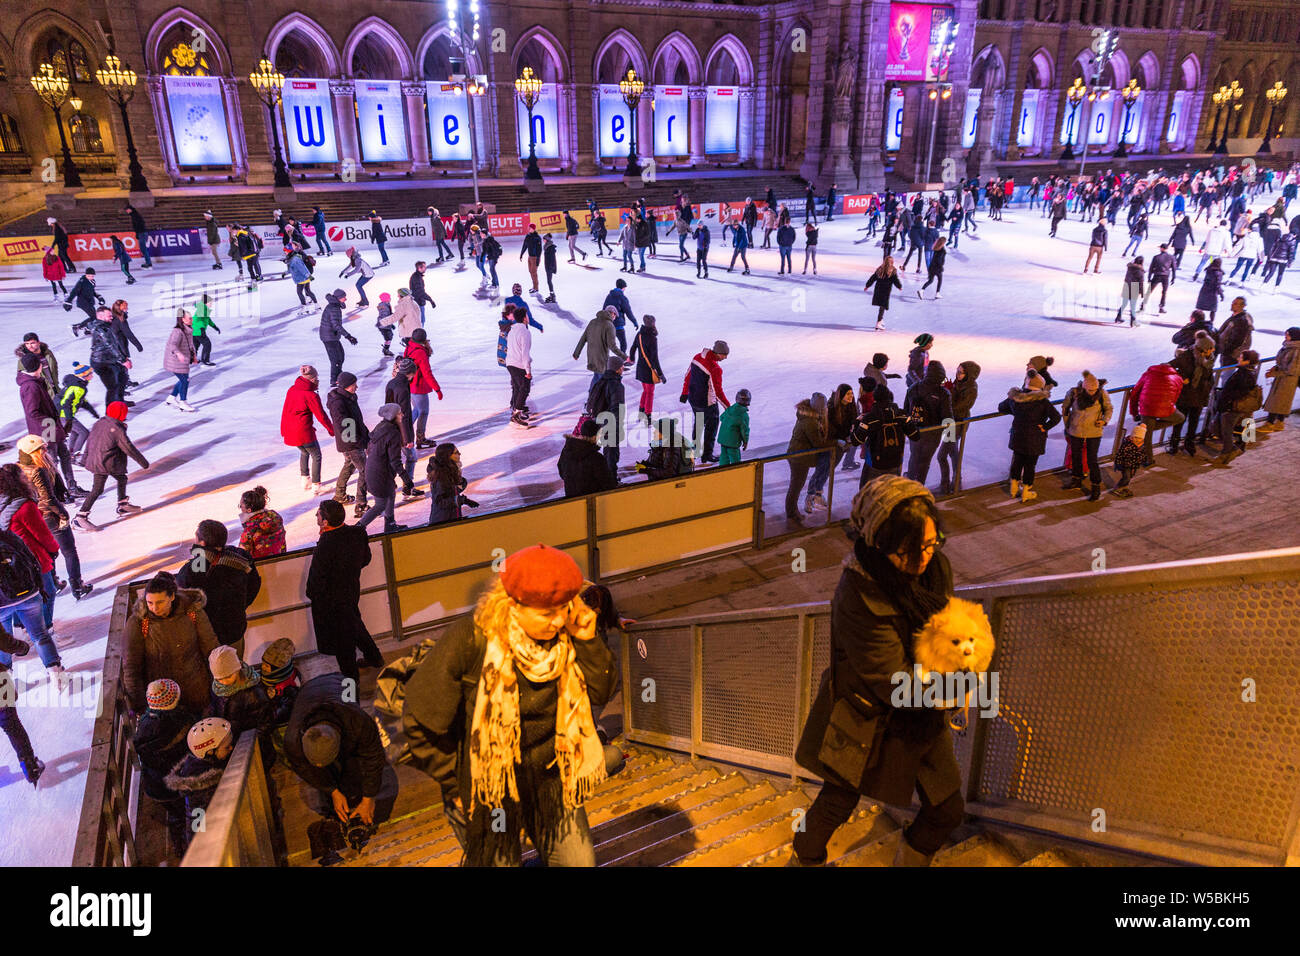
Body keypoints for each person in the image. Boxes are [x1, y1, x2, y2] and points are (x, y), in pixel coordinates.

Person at [401, 544, 616, 866]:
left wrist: (587, 640)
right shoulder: (471, 639)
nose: (559, 621)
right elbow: (420, 720)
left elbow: (600, 693)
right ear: (514, 605)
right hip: (489, 787)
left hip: (551, 781)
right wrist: (454, 784)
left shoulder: (570, 628)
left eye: (563, 609)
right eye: (546, 614)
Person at [789, 477, 962, 866]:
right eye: (907, 551)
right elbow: (891, 679)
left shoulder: (935, 568)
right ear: (878, 540)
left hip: (920, 719)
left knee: (947, 809)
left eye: (931, 544)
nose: (922, 560)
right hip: (865, 718)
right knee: (836, 802)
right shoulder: (858, 592)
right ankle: (803, 857)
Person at [285, 672, 399, 865]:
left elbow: (373, 758)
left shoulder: (358, 722)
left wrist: (368, 799)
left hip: (344, 681)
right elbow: (306, 770)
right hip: (309, 692)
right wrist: (333, 791)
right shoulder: (293, 740)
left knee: (354, 763)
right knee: (334, 779)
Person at [307, 499, 385, 681]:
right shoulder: (357, 533)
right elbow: (365, 559)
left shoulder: (325, 546)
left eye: (318, 513)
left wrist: (315, 598)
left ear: (325, 522)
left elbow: (315, 582)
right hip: (351, 592)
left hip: (332, 603)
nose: (316, 515)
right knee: (355, 625)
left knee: (345, 649)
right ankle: (374, 657)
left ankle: (351, 693)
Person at [124, 572, 219, 715]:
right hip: (163, 702)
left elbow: (211, 649)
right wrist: (140, 705)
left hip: (197, 693)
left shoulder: (192, 612)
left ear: (172, 597)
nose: (155, 608)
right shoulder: (139, 622)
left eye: (160, 602)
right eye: (150, 603)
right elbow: (131, 667)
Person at [176, 519, 261, 656]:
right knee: (235, 670)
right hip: (235, 630)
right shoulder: (240, 556)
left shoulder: (193, 569)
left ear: (202, 543)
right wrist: (239, 607)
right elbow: (254, 585)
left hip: (208, 637)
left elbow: (182, 603)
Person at [133, 679, 198, 855]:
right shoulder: (181, 720)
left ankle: (179, 846)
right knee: (192, 810)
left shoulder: (145, 724)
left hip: (157, 786)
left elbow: (145, 754)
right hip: (181, 780)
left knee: (176, 815)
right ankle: (197, 842)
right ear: (174, 700)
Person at [72, 401, 147, 531]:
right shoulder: (117, 429)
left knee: (122, 478)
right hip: (104, 462)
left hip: (102, 460)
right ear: (121, 414)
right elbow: (128, 447)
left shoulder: (100, 422)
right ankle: (80, 517)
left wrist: (84, 459)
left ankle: (123, 504)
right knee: (97, 490)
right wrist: (143, 463)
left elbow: (89, 441)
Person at [163, 718, 235, 848]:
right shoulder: (200, 791)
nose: (231, 748)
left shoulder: (199, 768)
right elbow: (196, 823)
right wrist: (199, 846)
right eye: (226, 747)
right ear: (210, 751)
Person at [997, 371, 1061, 503]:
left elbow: (1001, 407)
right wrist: (1045, 427)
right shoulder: (1043, 401)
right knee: (1030, 465)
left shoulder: (1017, 398)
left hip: (1019, 435)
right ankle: (1026, 491)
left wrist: (1016, 411)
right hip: (1035, 438)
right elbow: (1056, 417)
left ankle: (1014, 488)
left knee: (1018, 461)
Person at [280, 365, 334, 494]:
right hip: (303, 431)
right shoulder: (310, 395)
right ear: (312, 379)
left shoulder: (292, 389)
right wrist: (331, 429)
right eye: (317, 378)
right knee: (316, 455)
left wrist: (283, 430)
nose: (318, 380)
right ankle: (316, 485)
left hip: (289, 430)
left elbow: (285, 410)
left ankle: (305, 480)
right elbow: (321, 415)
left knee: (304, 452)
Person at [1060, 371, 1113, 501]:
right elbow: (1065, 409)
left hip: (1094, 431)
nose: (1092, 392)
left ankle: (1096, 486)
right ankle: (1076, 480)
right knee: (1076, 456)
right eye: (1090, 390)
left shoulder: (1102, 394)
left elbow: (1109, 408)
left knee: (1092, 459)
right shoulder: (1074, 393)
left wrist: (1104, 420)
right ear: (1084, 388)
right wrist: (1068, 425)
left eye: (1095, 390)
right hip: (1076, 430)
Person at [359, 405, 408, 535]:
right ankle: (357, 528)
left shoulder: (381, 427)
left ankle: (390, 524)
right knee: (380, 504)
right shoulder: (392, 433)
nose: (402, 415)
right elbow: (395, 460)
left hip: (376, 470)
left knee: (391, 494)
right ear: (393, 416)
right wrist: (406, 479)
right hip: (379, 473)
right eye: (399, 413)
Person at [680, 340, 730, 465]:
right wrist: (728, 407)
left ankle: (695, 451)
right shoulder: (714, 368)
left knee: (698, 423)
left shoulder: (697, 357)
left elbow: (688, 375)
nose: (726, 357)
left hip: (694, 399)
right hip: (707, 403)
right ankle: (707, 454)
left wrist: (684, 392)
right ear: (718, 353)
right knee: (711, 427)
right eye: (724, 355)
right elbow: (718, 392)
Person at [903, 363, 952, 486]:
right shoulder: (943, 393)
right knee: (925, 461)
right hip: (932, 433)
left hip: (915, 430)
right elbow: (947, 417)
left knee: (914, 457)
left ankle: (908, 484)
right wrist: (949, 439)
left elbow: (906, 410)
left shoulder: (913, 388)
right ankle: (919, 485)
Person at [327, 372, 370, 515]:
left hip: (351, 440)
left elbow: (357, 419)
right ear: (345, 386)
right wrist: (359, 441)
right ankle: (361, 504)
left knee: (350, 465)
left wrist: (366, 434)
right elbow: (344, 425)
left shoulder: (350, 397)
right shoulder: (338, 403)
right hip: (351, 442)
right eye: (353, 385)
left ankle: (339, 495)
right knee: (365, 470)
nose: (356, 387)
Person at [1168, 332, 1217, 455]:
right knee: (1180, 421)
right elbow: (1169, 366)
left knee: (1194, 422)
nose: (1213, 350)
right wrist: (1181, 377)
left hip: (1200, 394)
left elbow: (1209, 375)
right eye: (1210, 348)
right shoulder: (1187, 357)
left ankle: (1189, 444)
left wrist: (1209, 386)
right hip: (1186, 394)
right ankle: (1174, 444)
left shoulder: (1209, 359)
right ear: (1203, 349)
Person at [936, 362, 979, 496]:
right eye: (957, 371)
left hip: (958, 424)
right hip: (951, 422)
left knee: (941, 455)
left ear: (969, 375)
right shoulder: (959, 382)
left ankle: (947, 483)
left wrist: (950, 391)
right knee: (953, 453)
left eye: (961, 372)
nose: (957, 374)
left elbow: (959, 407)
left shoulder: (971, 388)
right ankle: (955, 482)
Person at [784, 393, 828, 524]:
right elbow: (818, 443)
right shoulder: (810, 421)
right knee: (796, 486)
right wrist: (836, 442)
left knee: (796, 484)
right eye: (824, 407)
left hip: (798, 454)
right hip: (799, 458)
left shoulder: (809, 416)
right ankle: (791, 513)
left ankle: (792, 512)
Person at [384, 359, 423, 501]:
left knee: (394, 460)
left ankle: (395, 487)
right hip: (400, 431)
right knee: (411, 458)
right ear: (411, 373)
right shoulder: (402, 387)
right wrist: (407, 439)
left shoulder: (392, 383)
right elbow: (404, 414)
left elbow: (387, 407)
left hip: (389, 427)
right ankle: (407, 488)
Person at [1212, 350, 1261, 465]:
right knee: (1224, 430)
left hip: (1232, 407)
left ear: (1247, 361)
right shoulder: (1245, 372)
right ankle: (1230, 452)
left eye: (1241, 357)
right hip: (1231, 406)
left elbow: (1238, 392)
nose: (1238, 358)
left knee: (1226, 431)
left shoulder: (1245, 375)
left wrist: (1227, 400)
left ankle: (1228, 452)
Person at [587, 357, 627, 481]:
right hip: (610, 424)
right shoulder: (616, 385)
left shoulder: (600, 381)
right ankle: (611, 480)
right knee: (612, 454)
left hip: (600, 423)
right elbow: (617, 408)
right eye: (621, 366)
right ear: (618, 369)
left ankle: (607, 477)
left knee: (607, 453)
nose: (623, 368)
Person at [403, 329, 443, 449]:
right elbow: (427, 373)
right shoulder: (420, 352)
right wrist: (437, 389)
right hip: (418, 387)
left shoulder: (409, 346)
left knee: (416, 410)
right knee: (423, 412)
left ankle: (404, 433)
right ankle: (419, 438)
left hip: (409, 385)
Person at [559, 418, 618, 497]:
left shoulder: (566, 451)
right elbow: (608, 484)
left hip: (570, 498)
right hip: (592, 500)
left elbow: (562, 472)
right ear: (594, 437)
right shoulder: (597, 458)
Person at [573, 309, 627, 392]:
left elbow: (583, 338)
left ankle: (590, 399)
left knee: (597, 376)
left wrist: (576, 353)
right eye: (615, 315)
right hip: (602, 358)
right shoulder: (609, 325)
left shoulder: (592, 322)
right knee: (603, 380)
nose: (615, 318)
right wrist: (625, 357)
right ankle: (595, 401)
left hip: (592, 356)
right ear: (612, 313)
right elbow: (612, 346)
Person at [1260, 327, 1300, 432]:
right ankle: (1279, 423)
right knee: (1281, 401)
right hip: (1282, 378)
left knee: (1278, 401)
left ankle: (1270, 423)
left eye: (1287, 334)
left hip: (1288, 381)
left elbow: (1292, 370)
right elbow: (1282, 362)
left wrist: (1274, 373)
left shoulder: (1296, 350)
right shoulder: (1288, 346)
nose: (1285, 336)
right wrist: (1276, 368)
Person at [427, 443, 477, 525]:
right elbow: (440, 502)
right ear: (448, 456)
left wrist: (462, 483)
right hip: (442, 521)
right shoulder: (440, 476)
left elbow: (450, 491)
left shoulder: (450, 471)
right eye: (456, 452)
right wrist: (460, 500)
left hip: (451, 517)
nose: (459, 454)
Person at [628, 314, 665, 424]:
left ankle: (641, 414)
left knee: (646, 391)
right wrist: (661, 374)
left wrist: (633, 359)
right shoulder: (652, 338)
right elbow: (654, 358)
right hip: (649, 370)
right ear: (653, 323)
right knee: (650, 393)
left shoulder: (639, 334)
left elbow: (633, 348)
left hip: (640, 368)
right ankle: (648, 417)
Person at [163, 309, 198, 413]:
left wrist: (194, 356)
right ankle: (183, 402)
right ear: (183, 319)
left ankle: (171, 397)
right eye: (189, 318)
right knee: (184, 380)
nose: (192, 319)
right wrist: (179, 354)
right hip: (175, 360)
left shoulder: (188, 329)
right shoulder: (177, 331)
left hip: (183, 360)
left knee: (184, 379)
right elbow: (172, 345)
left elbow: (190, 345)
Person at [238, 485, 286, 558]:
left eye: (240, 506)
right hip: (280, 560)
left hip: (260, 567)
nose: (240, 508)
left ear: (249, 510)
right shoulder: (276, 518)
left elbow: (241, 557)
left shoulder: (250, 531)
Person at [506, 309, 534, 426]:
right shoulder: (525, 332)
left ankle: (518, 410)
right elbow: (524, 353)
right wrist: (528, 370)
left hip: (510, 363)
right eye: (527, 316)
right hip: (519, 364)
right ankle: (516, 415)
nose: (528, 317)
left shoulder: (512, 331)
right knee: (525, 388)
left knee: (518, 388)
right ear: (524, 318)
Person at [864, 258, 903, 331]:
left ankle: (880, 320)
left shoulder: (880, 269)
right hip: (886, 291)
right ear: (892, 262)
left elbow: (872, 278)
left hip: (878, 289)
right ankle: (878, 322)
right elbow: (896, 280)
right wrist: (899, 286)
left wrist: (867, 286)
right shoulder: (893, 270)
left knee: (883, 306)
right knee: (883, 306)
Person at [1110, 423, 1146, 498]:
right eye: (1134, 437)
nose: (1136, 439)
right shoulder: (1128, 445)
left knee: (1130, 476)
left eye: (1138, 438)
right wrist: (1124, 464)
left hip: (1133, 464)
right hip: (1125, 464)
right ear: (1132, 437)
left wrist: (1142, 459)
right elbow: (1124, 456)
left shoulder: (1141, 446)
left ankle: (1124, 487)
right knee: (1126, 477)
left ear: (1142, 439)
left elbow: (1142, 454)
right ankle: (1118, 488)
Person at [602, 279, 638, 353]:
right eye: (625, 287)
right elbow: (628, 311)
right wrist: (634, 322)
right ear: (623, 287)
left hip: (608, 324)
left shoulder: (609, 296)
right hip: (618, 325)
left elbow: (604, 309)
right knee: (623, 344)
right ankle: (621, 361)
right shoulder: (622, 298)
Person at [717, 388, 752, 466]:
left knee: (724, 456)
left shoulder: (730, 409)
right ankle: (737, 471)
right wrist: (745, 441)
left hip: (723, 438)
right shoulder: (743, 415)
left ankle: (722, 471)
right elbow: (744, 430)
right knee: (735, 458)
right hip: (733, 441)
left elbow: (721, 417)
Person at [1216, 297, 1254, 367]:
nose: (1232, 304)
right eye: (1233, 302)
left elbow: (1237, 340)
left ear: (1243, 306)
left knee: (1226, 374)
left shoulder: (1241, 321)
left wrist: (1226, 351)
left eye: (1235, 303)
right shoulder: (1236, 317)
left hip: (1231, 355)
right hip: (1228, 353)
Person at [1142, 244, 1176, 314]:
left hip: (1157, 275)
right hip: (1165, 276)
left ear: (1162, 248)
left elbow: (1151, 268)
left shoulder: (1156, 257)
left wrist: (1149, 277)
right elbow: (1174, 268)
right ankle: (1161, 307)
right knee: (1164, 292)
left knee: (1149, 291)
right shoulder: (1171, 257)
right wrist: (1173, 277)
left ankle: (1143, 304)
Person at [1114, 256, 1146, 327]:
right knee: (1133, 307)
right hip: (1134, 288)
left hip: (1126, 286)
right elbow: (1141, 283)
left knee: (1124, 304)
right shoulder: (1140, 271)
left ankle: (1118, 318)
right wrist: (1142, 293)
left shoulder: (1130, 267)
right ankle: (1133, 322)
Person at [190, 293, 219, 367]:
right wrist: (201, 328)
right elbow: (197, 318)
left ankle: (192, 359)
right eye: (210, 302)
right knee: (207, 344)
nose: (211, 304)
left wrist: (215, 327)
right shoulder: (202, 308)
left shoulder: (203, 309)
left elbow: (208, 320)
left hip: (194, 331)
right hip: (199, 330)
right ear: (206, 303)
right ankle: (205, 360)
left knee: (195, 346)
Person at [1195, 257, 1225, 323]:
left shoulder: (1208, 270)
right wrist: (1221, 294)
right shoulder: (1219, 273)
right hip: (1212, 292)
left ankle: (1197, 320)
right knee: (1213, 309)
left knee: (1200, 307)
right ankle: (1211, 322)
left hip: (1204, 290)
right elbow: (1217, 285)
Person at [125, 204, 153, 269]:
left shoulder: (135, 215)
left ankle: (148, 263)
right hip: (142, 233)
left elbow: (139, 225)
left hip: (142, 233)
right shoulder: (134, 215)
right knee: (143, 249)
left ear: (130, 209)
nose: (127, 211)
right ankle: (148, 262)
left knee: (143, 249)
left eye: (127, 210)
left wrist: (138, 233)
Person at [520, 224, 543, 293]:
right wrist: (521, 254)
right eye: (528, 227)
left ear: (533, 229)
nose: (528, 229)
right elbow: (525, 245)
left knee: (534, 272)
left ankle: (536, 288)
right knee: (530, 271)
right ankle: (534, 287)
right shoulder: (528, 236)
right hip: (530, 257)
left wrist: (538, 258)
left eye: (529, 228)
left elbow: (540, 249)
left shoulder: (537, 237)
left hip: (535, 257)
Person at [374, 292, 396, 357]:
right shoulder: (384, 306)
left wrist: (391, 324)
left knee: (390, 336)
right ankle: (386, 350)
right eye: (389, 298)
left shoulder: (386, 304)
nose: (390, 299)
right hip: (383, 325)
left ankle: (386, 349)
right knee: (388, 337)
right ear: (386, 299)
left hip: (385, 324)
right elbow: (385, 315)